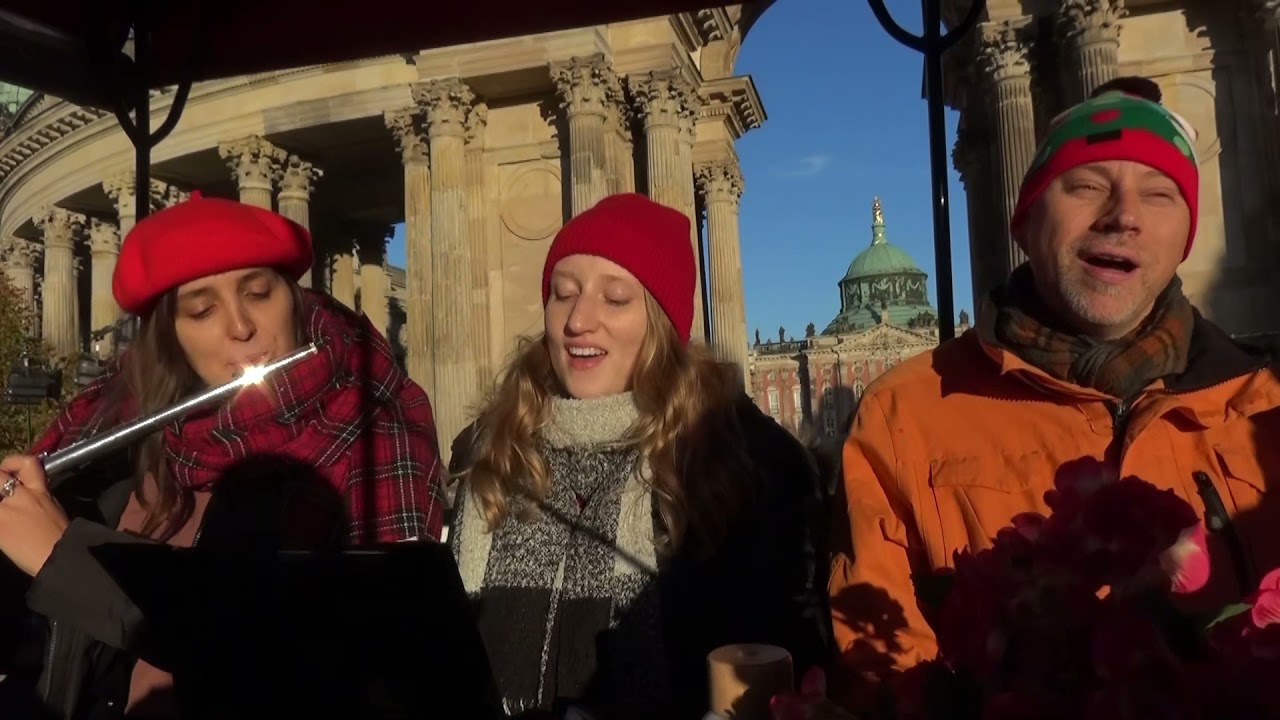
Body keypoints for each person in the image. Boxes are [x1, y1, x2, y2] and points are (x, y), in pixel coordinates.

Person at [828, 76, 1280, 711]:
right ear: (1026, 217)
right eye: (1087, 185)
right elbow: (883, 668)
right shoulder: (903, 413)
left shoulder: (1267, 407)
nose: (1124, 216)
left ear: (1185, 235)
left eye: (1159, 193)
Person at [0, 192, 446, 719]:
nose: (241, 326)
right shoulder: (128, 446)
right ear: (170, 337)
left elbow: (350, 671)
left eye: (258, 293)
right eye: (203, 309)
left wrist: (69, 558)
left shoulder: (375, 438)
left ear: (292, 298)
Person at [448, 193, 830, 719]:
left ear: (660, 323)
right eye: (563, 294)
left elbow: (779, 668)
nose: (578, 320)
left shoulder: (736, 467)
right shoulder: (491, 454)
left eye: (616, 298)